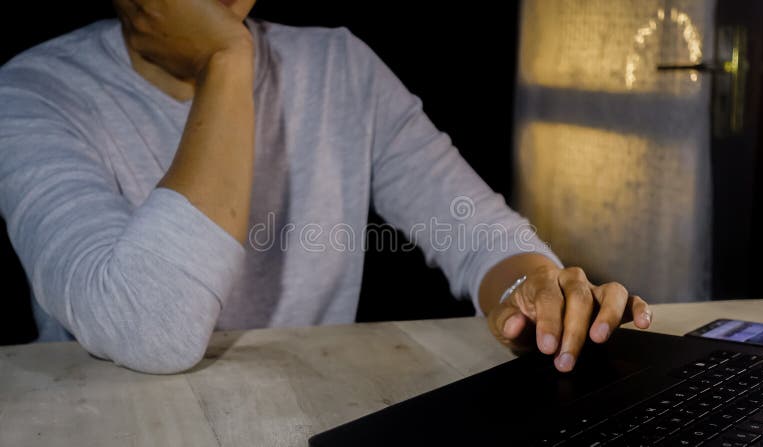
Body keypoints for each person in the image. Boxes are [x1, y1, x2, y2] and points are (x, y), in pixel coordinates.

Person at [0, 0, 652, 374]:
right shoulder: (30, 94)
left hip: (302, 412)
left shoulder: (339, 66)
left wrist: (531, 290)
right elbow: (150, 328)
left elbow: (476, 231)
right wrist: (229, 61)